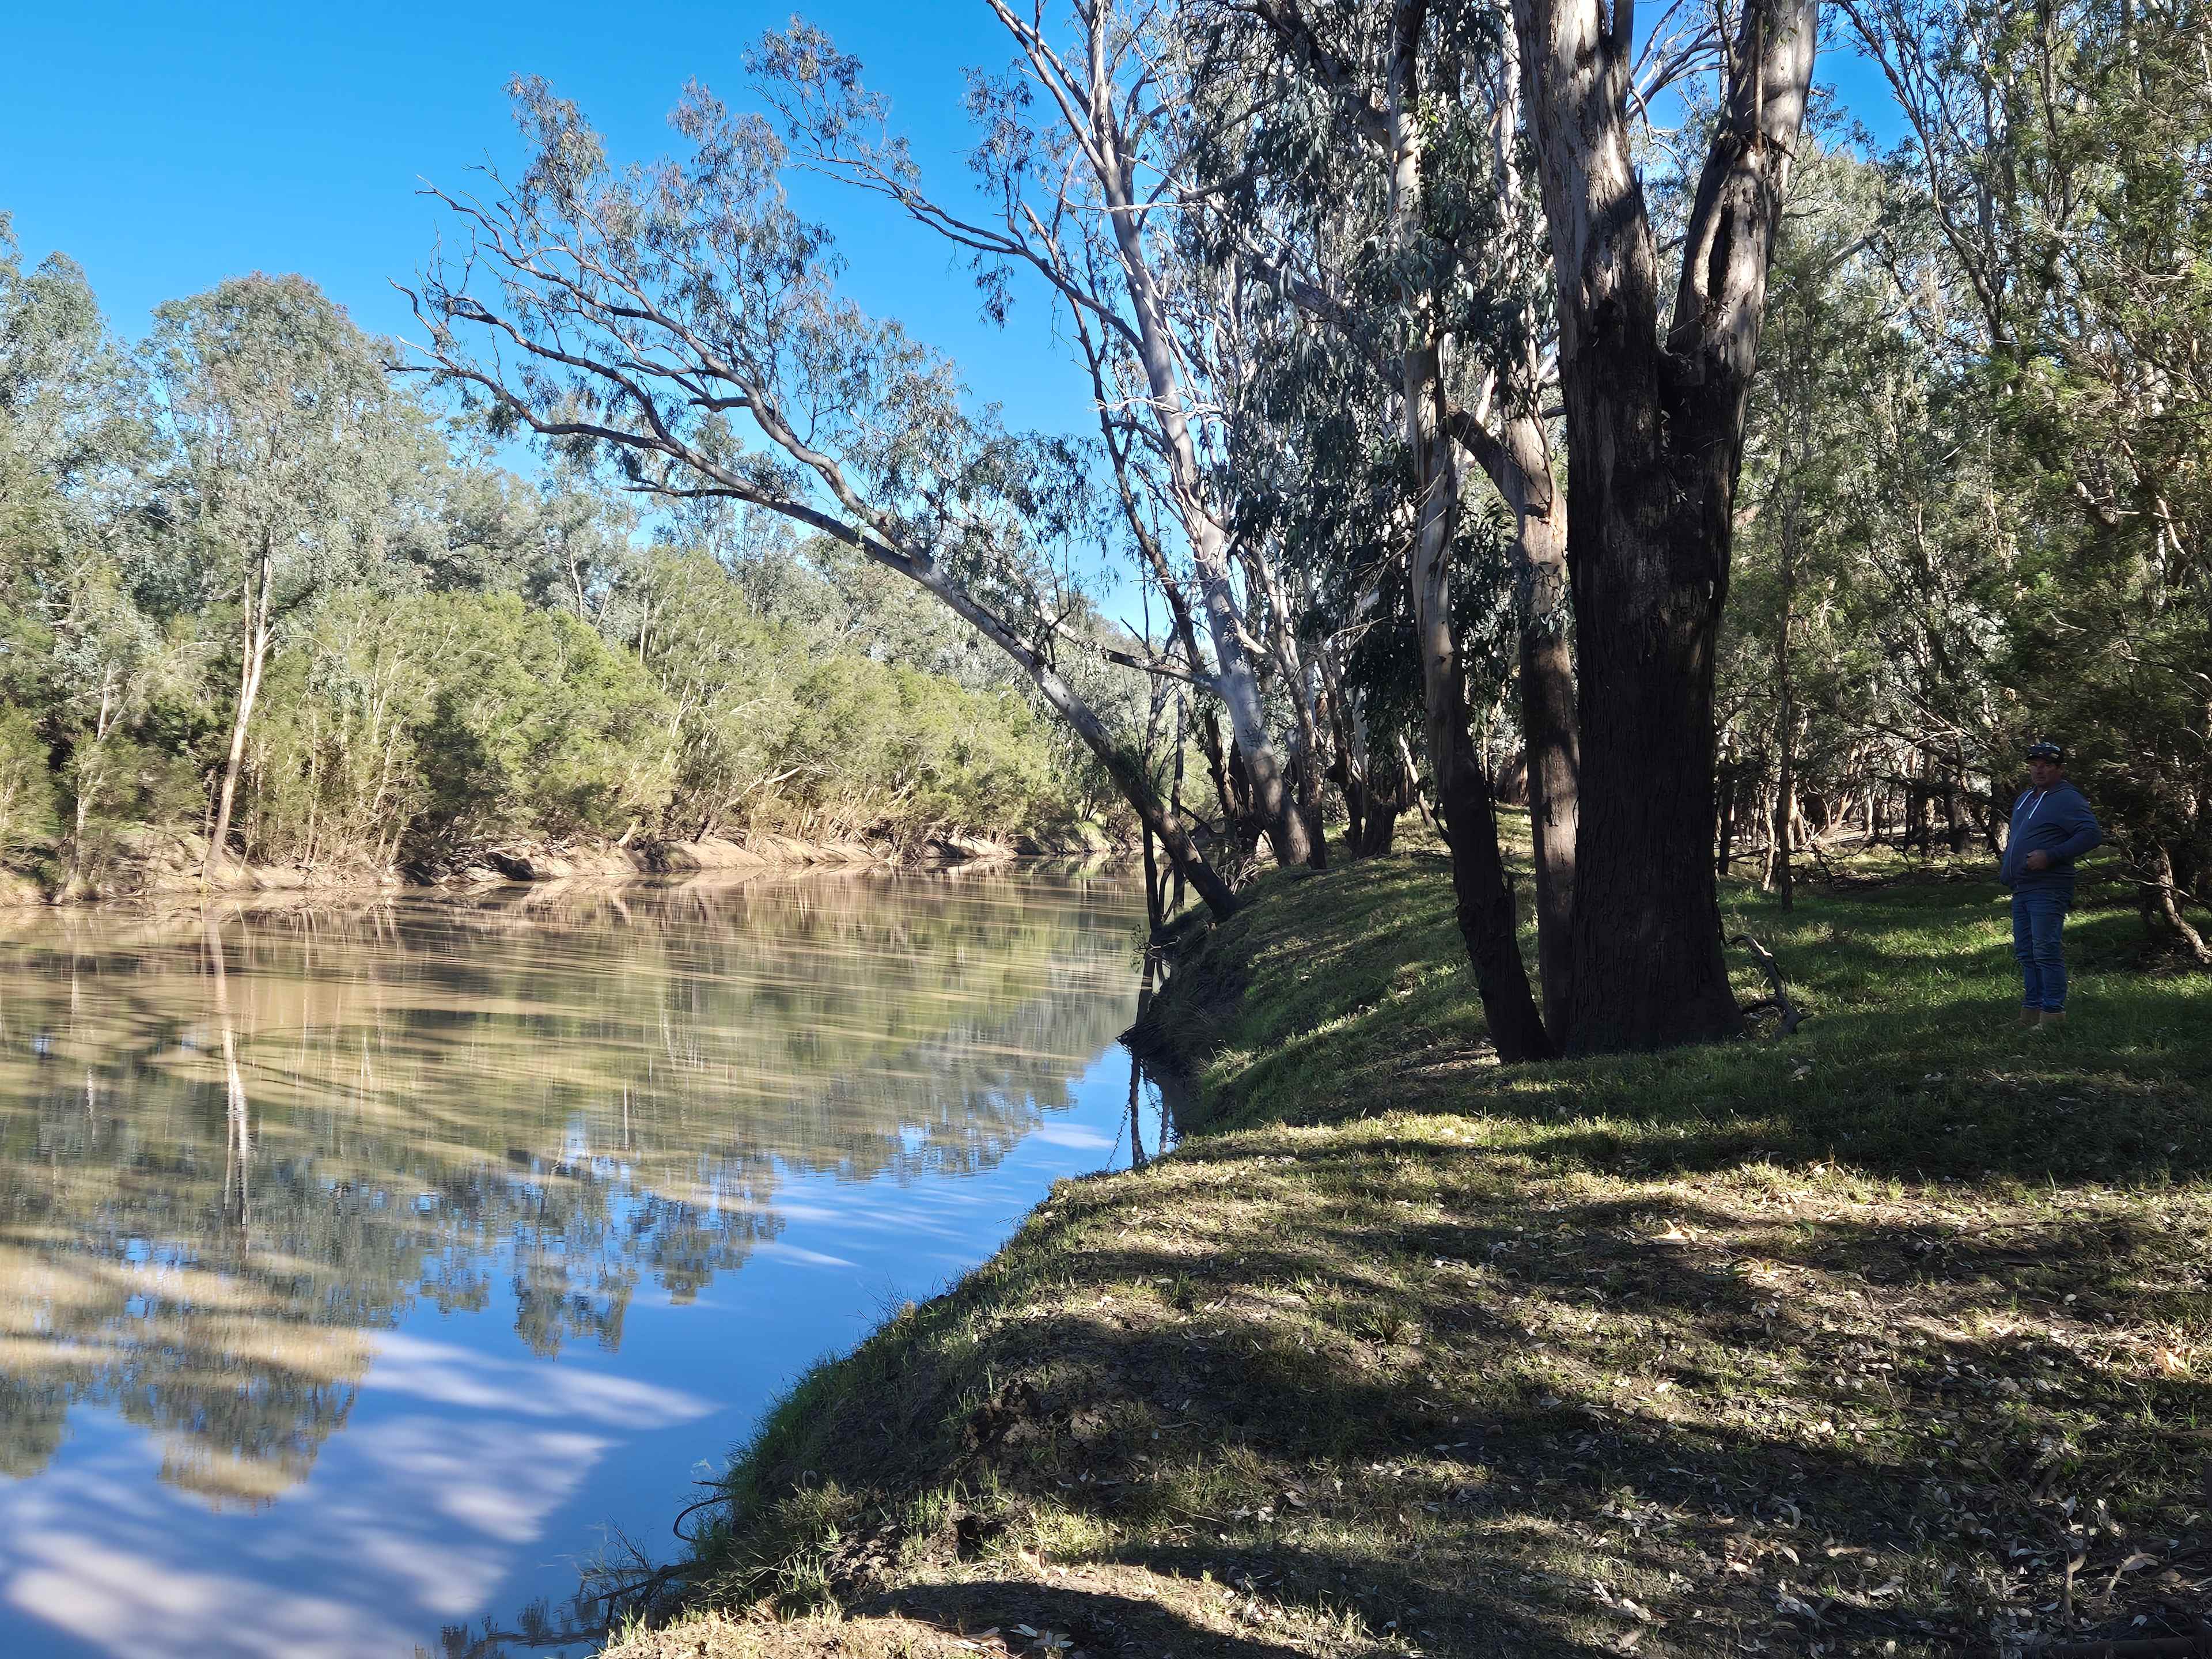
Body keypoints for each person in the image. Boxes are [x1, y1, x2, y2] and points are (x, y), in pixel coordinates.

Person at [1997, 741, 2102, 1027]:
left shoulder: (2067, 797)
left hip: (2049, 886)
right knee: (2027, 952)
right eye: (2034, 765)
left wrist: (2051, 855)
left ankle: (2053, 1015)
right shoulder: (2026, 798)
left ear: (2059, 769)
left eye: (2047, 765)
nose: (2039, 770)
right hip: (2022, 887)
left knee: (2045, 950)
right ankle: (2030, 1013)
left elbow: (2091, 834)